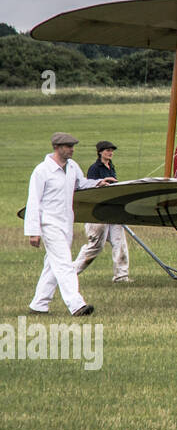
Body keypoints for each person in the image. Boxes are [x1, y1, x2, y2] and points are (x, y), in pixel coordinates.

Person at [25, 133, 115, 316]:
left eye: (73, 146)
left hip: (66, 223)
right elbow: (33, 202)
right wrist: (33, 232)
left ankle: (39, 304)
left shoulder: (72, 166)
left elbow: (81, 184)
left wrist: (99, 182)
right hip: (49, 224)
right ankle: (76, 305)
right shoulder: (42, 171)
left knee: (53, 264)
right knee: (64, 263)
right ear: (57, 148)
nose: (72, 149)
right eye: (68, 146)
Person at [73, 141, 131, 283]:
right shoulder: (94, 168)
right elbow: (90, 190)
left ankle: (121, 276)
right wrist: (101, 182)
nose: (110, 153)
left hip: (112, 209)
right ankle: (69, 273)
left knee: (120, 242)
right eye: (107, 151)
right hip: (97, 211)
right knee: (95, 247)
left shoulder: (111, 166)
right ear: (100, 152)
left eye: (111, 150)